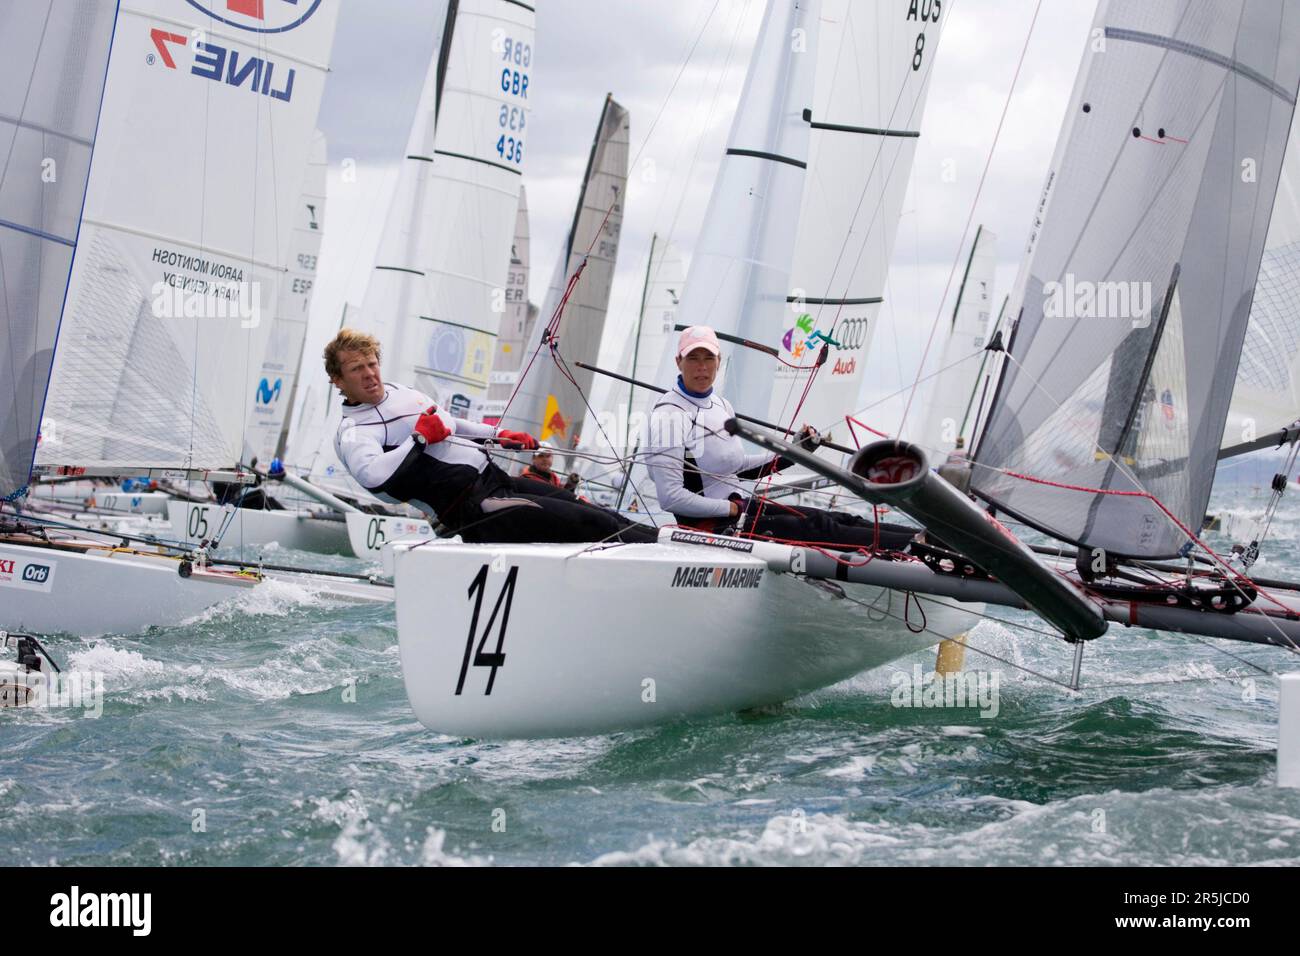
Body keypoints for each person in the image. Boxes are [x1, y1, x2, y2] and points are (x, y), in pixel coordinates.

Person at [325, 329, 655, 545]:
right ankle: (661, 552)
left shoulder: (400, 392)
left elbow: (450, 424)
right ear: (338, 379)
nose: (369, 374)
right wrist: (418, 439)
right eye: (356, 369)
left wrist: (500, 435)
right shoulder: (355, 431)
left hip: (498, 481)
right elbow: (372, 475)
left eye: (371, 364)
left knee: (603, 513)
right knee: (592, 523)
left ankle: (668, 542)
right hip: (475, 509)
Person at [646, 325, 917, 551]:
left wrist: (794, 451)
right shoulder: (671, 414)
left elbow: (739, 468)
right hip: (710, 527)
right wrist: (730, 508)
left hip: (740, 511)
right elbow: (670, 498)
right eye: (693, 358)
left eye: (709, 358)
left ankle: (925, 538)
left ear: (719, 361)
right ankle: (916, 548)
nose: (702, 367)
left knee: (835, 517)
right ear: (678, 362)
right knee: (819, 528)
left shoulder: (720, 405)